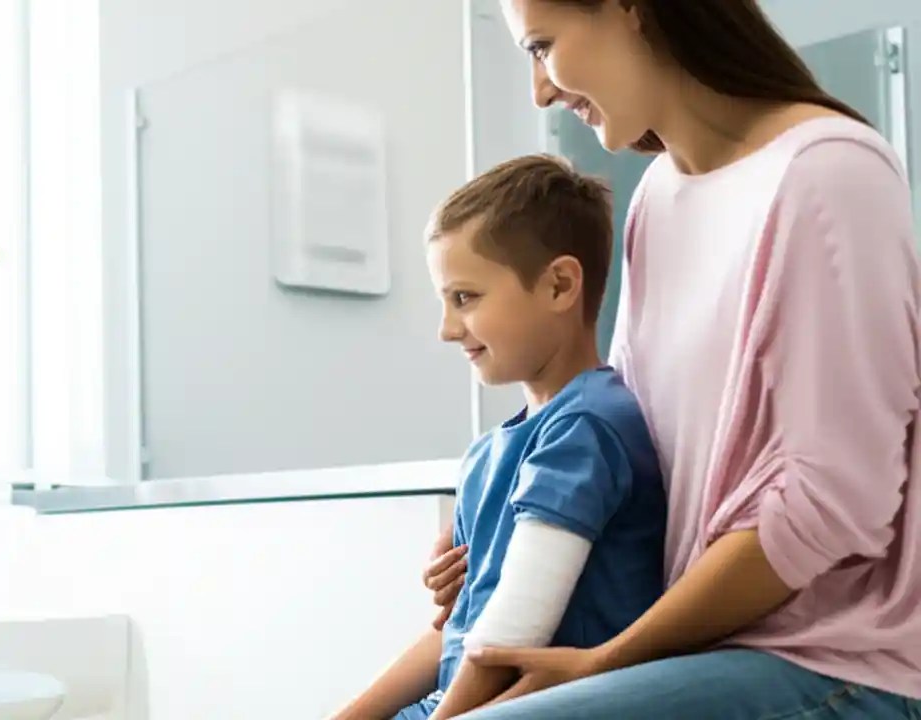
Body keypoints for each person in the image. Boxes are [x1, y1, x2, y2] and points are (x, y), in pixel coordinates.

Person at [421, 1, 921, 718]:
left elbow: (834, 501)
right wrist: (499, 513)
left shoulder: (830, 174)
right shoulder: (658, 197)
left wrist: (606, 662)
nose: (540, 91)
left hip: (831, 661)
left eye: (542, 46)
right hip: (700, 653)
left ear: (630, 8)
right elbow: (631, 438)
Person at [331, 155, 666, 720]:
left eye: (465, 298)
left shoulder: (586, 428)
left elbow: (515, 633)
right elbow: (459, 632)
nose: (447, 328)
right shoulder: (488, 456)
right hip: (463, 701)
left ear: (560, 285)